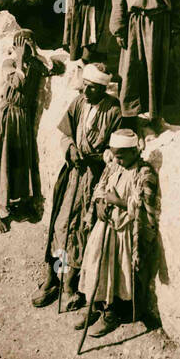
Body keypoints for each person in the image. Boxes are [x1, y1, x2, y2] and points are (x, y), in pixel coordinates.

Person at [32, 64, 121, 311]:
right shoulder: (79, 103)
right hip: (73, 174)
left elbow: (116, 152)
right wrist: (70, 148)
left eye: (91, 88)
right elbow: (66, 135)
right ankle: (53, 278)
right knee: (61, 226)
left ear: (102, 88)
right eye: (84, 86)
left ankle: (71, 285)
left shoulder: (114, 111)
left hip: (94, 178)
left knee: (81, 231)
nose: (85, 91)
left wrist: (100, 157)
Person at [74, 128, 159, 338]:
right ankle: (93, 306)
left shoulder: (144, 173)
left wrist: (118, 202)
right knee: (95, 265)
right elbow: (101, 187)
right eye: (114, 155)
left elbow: (146, 209)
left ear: (133, 152)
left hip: (123, 234)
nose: (117, 160)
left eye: (121, 156)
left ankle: (111, 314)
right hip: (104, 228)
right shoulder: (113, 166)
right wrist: (101, 202)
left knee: (113, 273)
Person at [0, 30, 61, 233]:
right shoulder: (8, 65)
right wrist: (18, 58)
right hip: (7, 116)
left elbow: (53, 68)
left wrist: (37, 55)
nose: (25, 49)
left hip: (23, 118)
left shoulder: (35, 65)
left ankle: (16, 202)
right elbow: (18, 83)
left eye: (28, 44)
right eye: (22, 45)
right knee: (0, 160)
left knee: (18, 161)